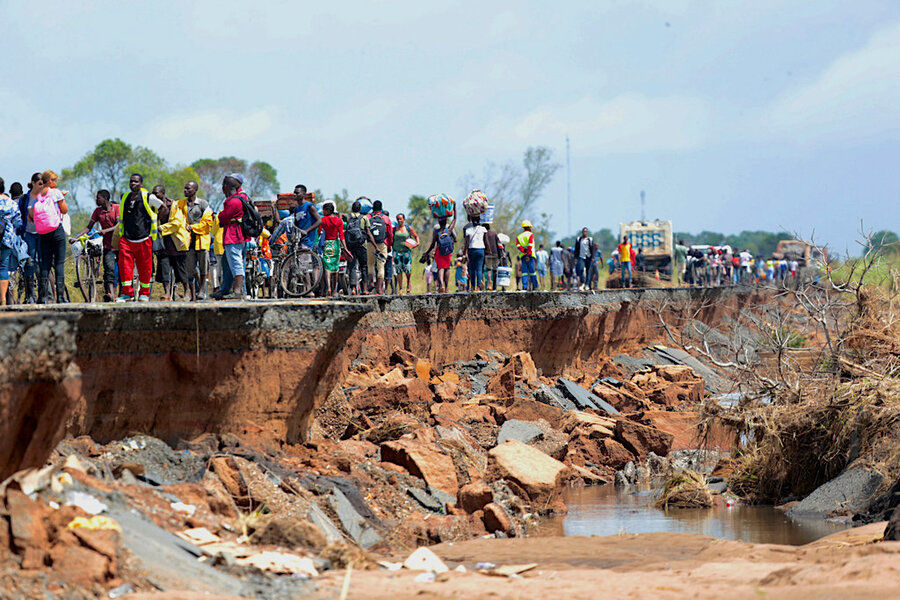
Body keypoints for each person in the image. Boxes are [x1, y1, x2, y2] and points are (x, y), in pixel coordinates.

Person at [116, 174, 159, 302]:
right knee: (124, 266)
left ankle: (144, 293)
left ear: (141, 184)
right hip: (126, 238)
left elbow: (162, 207)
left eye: (135, 182)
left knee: (145, 268)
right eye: (131, 181)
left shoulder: (148, 197)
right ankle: (127, 293)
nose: (133, 184)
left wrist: (156, 221)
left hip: (144, 238)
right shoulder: (124, 197)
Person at [70, 189, 119, 301]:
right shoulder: (97, 211)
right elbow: (89, 227)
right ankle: (110, 294)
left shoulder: (116, 208)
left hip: (120, 243)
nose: (96, 200)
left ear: (105, 198)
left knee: (121, 269)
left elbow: (118, 225)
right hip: (107, 245)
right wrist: (76, 238)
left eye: (98, 198)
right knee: (108, 269)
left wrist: (106, 231)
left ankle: (122, 293)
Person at [30, 171, 69, 303]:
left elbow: (31, 215)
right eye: (54, 180)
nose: (56, 183)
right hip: (56, 231)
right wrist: (62, 198)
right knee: (59, 263)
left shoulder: (38, 195)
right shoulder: (55, 192)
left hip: (43, 233)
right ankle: (61, 297)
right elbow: (64, 210)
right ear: (50, 181)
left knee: (45, 264)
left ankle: (43, 297)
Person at [213, 176, 249, 299]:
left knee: (236, 262)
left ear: (226, 187)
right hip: (239, 235)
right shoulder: (241, 198)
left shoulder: (233, 201)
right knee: (233, 262)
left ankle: (238, 291)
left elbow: (222, 218)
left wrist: (220, 215)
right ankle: (229, 289)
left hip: (233, 235)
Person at [156, 185, 191, 301]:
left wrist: (162, 228)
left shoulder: (174, 205)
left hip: (175, 242)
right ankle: (167, 293)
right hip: (162, 243)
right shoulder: (153, 206)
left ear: (163, 193)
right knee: (164, 267)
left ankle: (187, 291)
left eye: (157, 193)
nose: (155, 196)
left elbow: (177, 223)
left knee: (181, 269)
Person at [183, 181, 213, 300]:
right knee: (190, 269)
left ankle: (201, 290)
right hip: (188, 241)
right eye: (185, 188)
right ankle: (193, 290)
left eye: (188, 189)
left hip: (202, 240)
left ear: (195, 190)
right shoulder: (181, 204)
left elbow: (207, 223)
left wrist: (192, 227)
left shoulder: (203, 204)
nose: (185, 190)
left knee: (203, 267)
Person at [0, 180, 27, 305]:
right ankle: (3, 299)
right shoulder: (11, 203)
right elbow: (18, 223)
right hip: (6, 239)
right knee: (3, 268)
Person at [318, 202, 349, 297]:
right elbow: (342, 235)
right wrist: (346, 248)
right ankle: (334, 290)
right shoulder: (338, 221)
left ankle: (328, 288)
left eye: (323, 210)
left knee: (327, 268)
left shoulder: (322, 220)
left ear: (327, 210)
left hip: (327, 244)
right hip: (335, 244)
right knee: (335, 268)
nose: (322, 212)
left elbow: (319, 232)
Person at [345, 199, 375, 295]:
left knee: (352, 267)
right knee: (364, 267)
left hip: (351, 245)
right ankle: (365, 289)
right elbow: (368, 232)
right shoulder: (364, 218)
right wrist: (375, 246)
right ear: (360, 209)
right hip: (362, 245)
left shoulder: (348, 217)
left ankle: (353, 288)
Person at [367, 200, 393, 294]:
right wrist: (389, 245)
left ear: (373, 207)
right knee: (381, 266)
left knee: (370, 263)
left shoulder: (368, 217)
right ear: (381, 208)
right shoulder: (386, 218)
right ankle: (379, 288)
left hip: (370, 243)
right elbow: (390, 234)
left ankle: (371, 282)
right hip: (382, 244)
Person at [423, 216, 454, 293]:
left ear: (439, 223)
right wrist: (454, 208)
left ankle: (442, 285)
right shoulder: (449, 231)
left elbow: (433, 244)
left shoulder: (437, 233)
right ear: (446, 222)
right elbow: (454, 220)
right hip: (447, 252)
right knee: (447, 268)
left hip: (439, 252)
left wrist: (427, 253)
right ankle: (446, 288)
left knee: (440, 268)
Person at [392, 212, 418, 294]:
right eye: (398, 219)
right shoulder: (394, 229)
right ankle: (400, 288)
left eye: (401, 218)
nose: (399, 220)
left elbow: (415, 236)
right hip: (396, 252)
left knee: (407, 269)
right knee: (398, 270)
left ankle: (408, 283)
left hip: (406, 252)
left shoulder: (408, 228)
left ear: (404, 219)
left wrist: (417, 243)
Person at [464, 216, 487, 291]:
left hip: (472, 250)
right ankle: (478, 287)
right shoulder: (483, 229)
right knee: (479, 268)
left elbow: (467, 243)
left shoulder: (468, 230)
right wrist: (488, 250)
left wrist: (465, 251)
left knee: (472, 269)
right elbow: (486, 241)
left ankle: (473, 286)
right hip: (480, 250)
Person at [516, 220, 537, 291]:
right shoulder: (531, 234)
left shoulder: (519, 236)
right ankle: (535, 286)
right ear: (529, 227)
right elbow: (530, 245)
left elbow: (518, 246)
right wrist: (528, 254)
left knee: (524, 272)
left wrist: (524, 251)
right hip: (530, 256)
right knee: (532, 271)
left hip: (523, 256)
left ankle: (524, 287)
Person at [483, 223, 500, 291]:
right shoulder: (494, 234)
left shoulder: (484, 235)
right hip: (495, 254)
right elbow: (498, 244)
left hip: (487, 254)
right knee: (495, 270)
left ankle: (489, 284)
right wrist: (499, 255)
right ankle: (494, 287)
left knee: (489, 270)